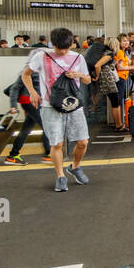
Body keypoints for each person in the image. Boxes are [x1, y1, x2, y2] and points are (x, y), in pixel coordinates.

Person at [22, 27, 92, 191]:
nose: (62, 52)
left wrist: (79, 75)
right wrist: (32, 92)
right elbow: (25, 75)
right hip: (49, 106)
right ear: (52, 44)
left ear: (72, 44)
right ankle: (60, 176)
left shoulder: (78, 58)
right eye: (59, 48)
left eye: (66, 48)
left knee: (83, 142)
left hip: (73, 105)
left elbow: (88, 80)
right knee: (56, 143)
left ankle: (74, 167)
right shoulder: (41, 57)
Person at [4, 58, 51, 166]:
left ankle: (13, 155)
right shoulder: (28, 70)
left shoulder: (42, 70)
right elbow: (14, 89)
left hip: (34, 103)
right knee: (46, 126)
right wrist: (13, 106)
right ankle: (49, 155)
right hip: (29, 101)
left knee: (26, 129)